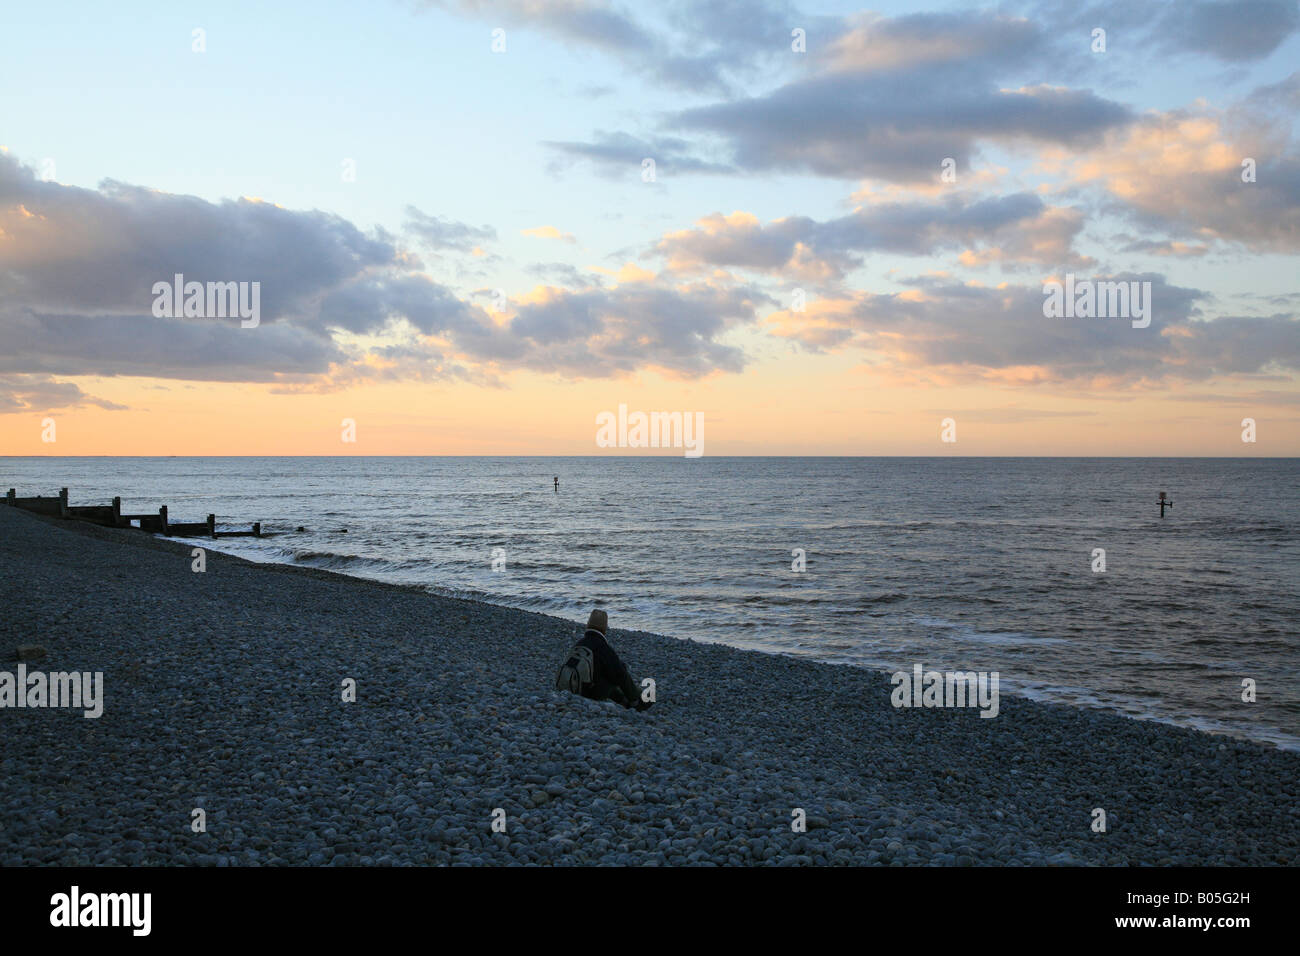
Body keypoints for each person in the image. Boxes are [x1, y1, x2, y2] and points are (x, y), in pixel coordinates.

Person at [555, 609, 651, 711]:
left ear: (588, 624)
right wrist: (633, 697)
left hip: (568, 687)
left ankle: (624, 700)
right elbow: (619, 674)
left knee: (607, 674)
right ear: (604, 628)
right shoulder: (602, 647)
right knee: (618, 671)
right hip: (588, 693)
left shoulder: (579, 643)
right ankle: (636, 701)